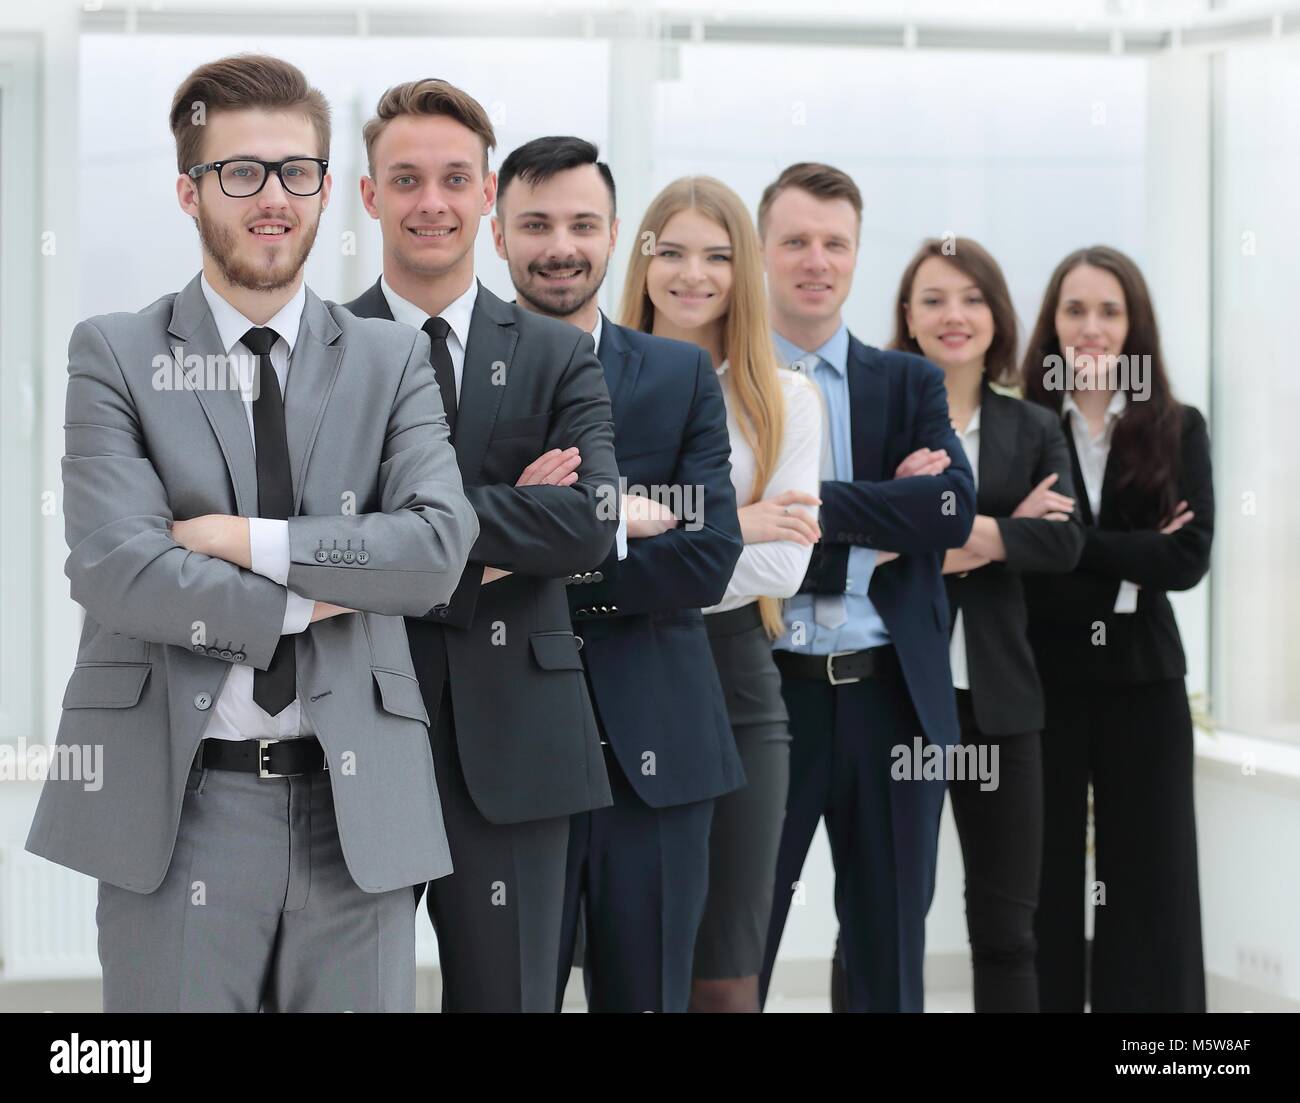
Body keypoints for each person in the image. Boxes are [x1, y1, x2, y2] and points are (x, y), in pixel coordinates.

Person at [24, 54, 478, 1012]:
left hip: (358, 807)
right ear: (190, 192)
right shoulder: (115, 351)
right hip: (180, 806)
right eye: (241, 173)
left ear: (323, 190)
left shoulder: (394, 359)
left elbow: (437, 548)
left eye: (297, 171)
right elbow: (119, 569)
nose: (273, 197)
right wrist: (329, 587)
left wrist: (248, 540)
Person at [342, 83, 620, 1012]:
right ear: (370, 194)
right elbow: (315, 533)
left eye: (455, 178)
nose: (432, 201)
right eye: (407, 179)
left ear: (486, 195)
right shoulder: (316, 348)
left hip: (520, 745)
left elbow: (588, 520)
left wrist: (402, 536)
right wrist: (506, 523)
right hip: (350, 734)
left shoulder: (555, 353)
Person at [489, 135, 744, 1012]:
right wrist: (618, 525)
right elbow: (443, 547)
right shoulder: (455, 370)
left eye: (582, 223)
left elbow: (710, 555)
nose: (561, 244)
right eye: (536, 223)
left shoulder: (678, 374)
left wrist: (548, 550)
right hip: (508, 757)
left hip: (660, 755)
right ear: (498, 232)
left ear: (614, 234)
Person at [755, 163, 976, 1013]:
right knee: (739, 939)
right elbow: (719, 534)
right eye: (797, 241)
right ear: (765, 252)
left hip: (892, 700)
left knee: (888, 959)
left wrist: (799, 513)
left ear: (854, 255)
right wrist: (883, 517)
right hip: (767, 697)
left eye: (834, 243)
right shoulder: (719, 379)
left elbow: (951, 511)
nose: (817, 260)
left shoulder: (910, 380)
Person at [607, 175, 823, 1012]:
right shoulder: (590, 379)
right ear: (644, 258)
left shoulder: (786, 398)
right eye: (673, 251)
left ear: (745, 271)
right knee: (629, 966)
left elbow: (784, 568)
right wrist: (737, 521)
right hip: (614, 673)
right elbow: (580, 552)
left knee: (728, 973)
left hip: (735, 678)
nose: (692, 274)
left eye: (718, 255)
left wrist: (664, 534)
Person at [890, 236, 1084, 1011]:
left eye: (971, 298)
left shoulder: (1032, 426)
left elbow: (1065, 542)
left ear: (997, 317)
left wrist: (938, 534)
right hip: (898, 693)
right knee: (884, 917)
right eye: (934, 298)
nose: (954, 315)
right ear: (908, 317)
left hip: (1003, 705)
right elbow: (863, 550)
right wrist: (1006, 529)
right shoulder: (881, 416)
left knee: (1008, 929)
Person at [1021, 245, 1212, 1013]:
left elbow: (1188, 557)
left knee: (1152, 882)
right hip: (1047, 683)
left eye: (1109, 310)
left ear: (1133, 324)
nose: (1091, 327)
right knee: (1046, 882)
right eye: (1075, 310)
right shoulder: (1027, 426)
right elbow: (1022, 558)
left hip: (1146, 681)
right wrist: (1136, 554)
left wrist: (1071, 543)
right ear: (1053, 324)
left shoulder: (1177, 426)